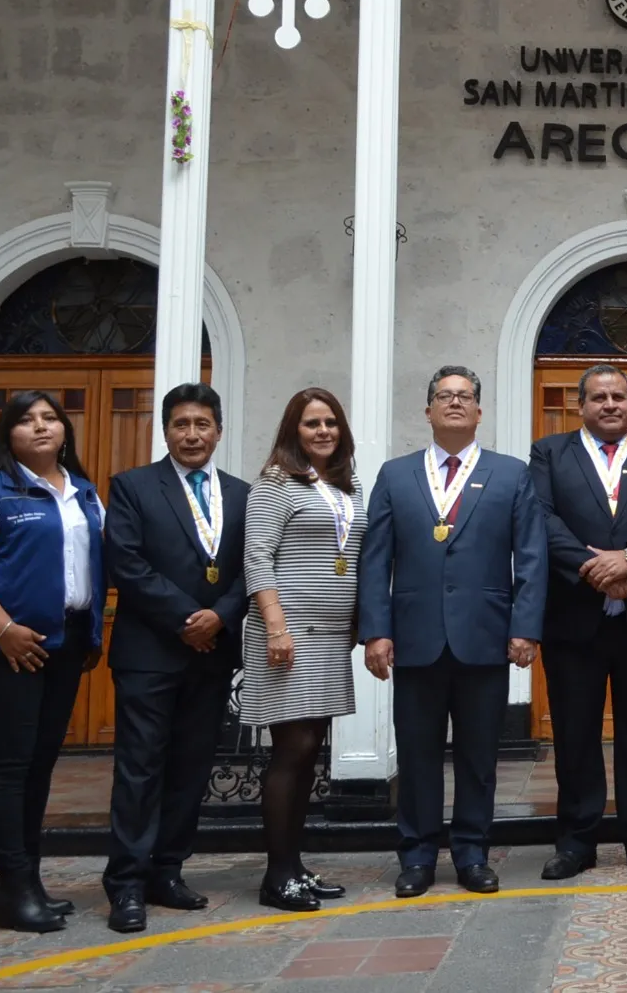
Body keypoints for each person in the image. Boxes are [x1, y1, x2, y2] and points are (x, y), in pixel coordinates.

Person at [360, 366, 547, 898]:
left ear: (479, 411)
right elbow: (376, 561)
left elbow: (530, 558)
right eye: (445, 395)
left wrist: (525, 628)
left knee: (477, 755)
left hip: (484, 638)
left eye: (465, 396)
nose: (456, 403)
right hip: (414, 639)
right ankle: (417, 857)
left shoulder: (510, 475)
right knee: (417, 754)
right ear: (428, 411)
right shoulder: (395, 476)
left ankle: (471, 853)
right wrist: (376, 630)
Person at [101, 383, 250, 934]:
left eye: (202, 425)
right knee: (140, 770)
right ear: (165, 430)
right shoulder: (134, 488)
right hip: (150, 653)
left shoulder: (241, 494)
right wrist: (189, 618)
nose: (192, 435)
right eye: (182, 424)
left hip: (211, 656)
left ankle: (168, 870)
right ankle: (127, 884)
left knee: (191, 769)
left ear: (218, 429)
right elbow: (127, 564)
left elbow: (250, 569)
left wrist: (220, 617)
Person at [530, 364, 627, 880]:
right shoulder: (550, 454)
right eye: (598, 397)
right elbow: (541, 518)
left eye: (619, 396)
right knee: (575, 735)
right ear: (581, 406)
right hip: (574, 623)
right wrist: (594, 568)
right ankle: (577, 841)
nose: (610, 404)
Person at [243, 388, 366, 912]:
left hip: (331, 636)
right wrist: (275, 626)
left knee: (311, 748)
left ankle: (295, 865)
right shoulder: (275, 483)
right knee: (290, 751)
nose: (322, 432)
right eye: (312, 423)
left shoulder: (346, 484)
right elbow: (257, 554)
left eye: (331, 423)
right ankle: (277, 875)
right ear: (293, 430)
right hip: (287, 637)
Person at [0, 392, 105, 933]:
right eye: (25, 420)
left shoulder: (83, 493)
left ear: (65, 430)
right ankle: (13, 885)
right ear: (8, 433)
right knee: (10, 767)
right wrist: (5, 631)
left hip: (67, 646)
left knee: (40, 765)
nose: (40, 427)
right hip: (13, 648)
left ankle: (26, 880)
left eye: (50, 418)